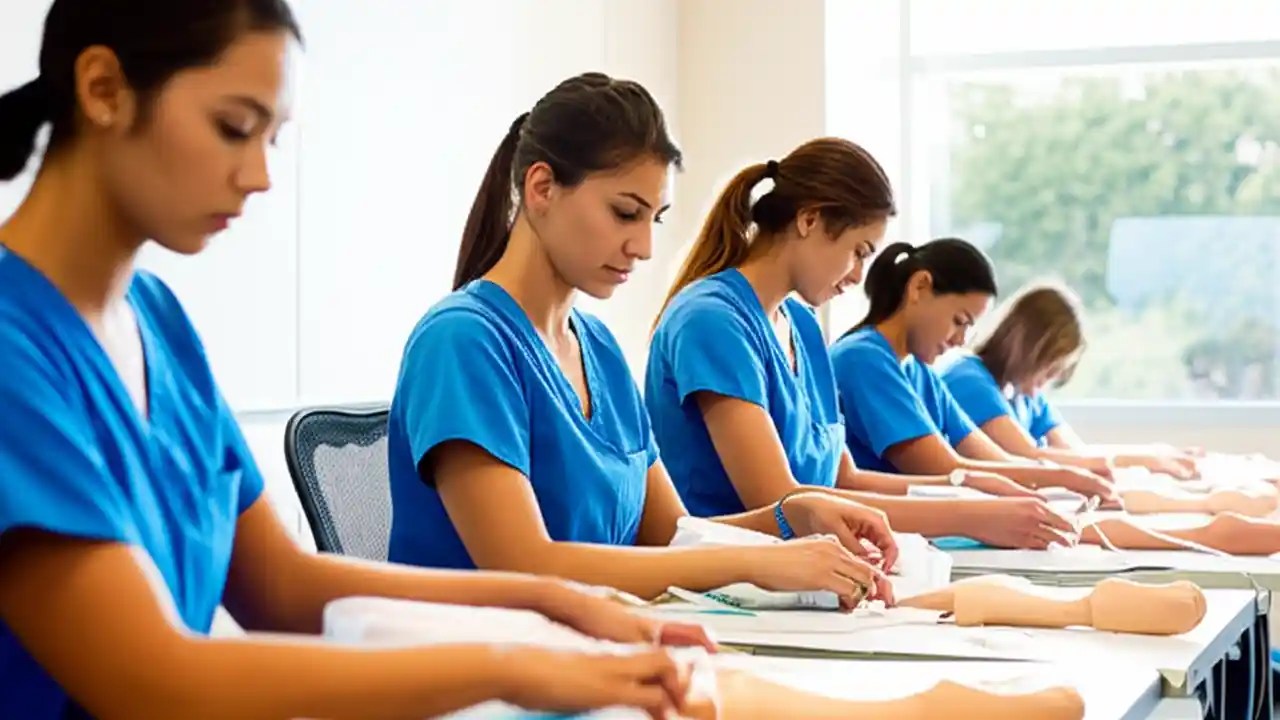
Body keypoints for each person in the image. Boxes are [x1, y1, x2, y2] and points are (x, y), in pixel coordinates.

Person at [0, 4, 716, 719]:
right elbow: (150, 678)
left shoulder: (157, 321)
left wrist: (547, 600)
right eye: (234, 128)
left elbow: (281, 587)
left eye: (273, 140)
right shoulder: (13, 342)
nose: (260, 176)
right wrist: (508, 661)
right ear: (102, 89)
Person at [387, 73, 900, 609]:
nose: (645, 246)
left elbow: (672, 535)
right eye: (625, 213)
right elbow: (527, 564)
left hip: (592, 653)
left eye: (655, 219)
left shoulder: (598, 348)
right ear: (541, 189)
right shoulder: (462, 341)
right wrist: (760, 560)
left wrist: (792, 517)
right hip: (483, 672)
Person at [644, 140, 1075, 551]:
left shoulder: (802, 326)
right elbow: (784, 505)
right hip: (723, 575)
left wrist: (970, 491)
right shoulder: (712, 319)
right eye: (859, 251)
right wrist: (969, 515)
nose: (857, 276)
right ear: (809, 220)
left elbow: (843, 479)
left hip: (801, 569)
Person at [829, 239, 1118, 505]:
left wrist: (1063, 478)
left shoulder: (920, 373)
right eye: (959, 320)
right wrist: (1062, 478)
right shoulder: (863, 359)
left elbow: (999, 460)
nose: (961, 340)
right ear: (919, 287)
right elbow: (946, 469)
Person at [939, 282, 1199, 478]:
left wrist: (1154, 455)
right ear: (1029, 351)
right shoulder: (969, 378)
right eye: (1050, 370)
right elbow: (1028, 457)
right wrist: (1145, 459)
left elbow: (1074, 452)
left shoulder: (1024, 395)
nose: (1050, 381)